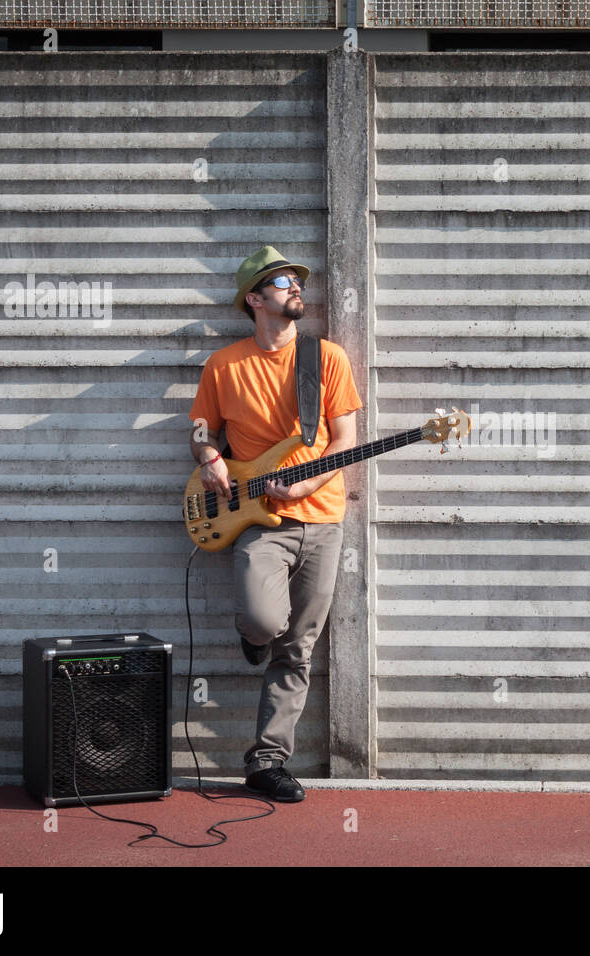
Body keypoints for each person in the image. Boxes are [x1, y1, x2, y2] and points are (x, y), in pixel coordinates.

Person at [187, 246, 363, 803]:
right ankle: (251, 635)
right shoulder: (224, 364)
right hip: (256, 520)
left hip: (322, 518)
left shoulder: (326, 358)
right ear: (255, 299)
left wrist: (306, 485)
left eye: (296, 281)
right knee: (266, 623)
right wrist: (209, 456)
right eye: (284, 282)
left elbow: (345, 441)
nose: (296, 289)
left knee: (299, 647)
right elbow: (199, 428)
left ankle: (266, 761)